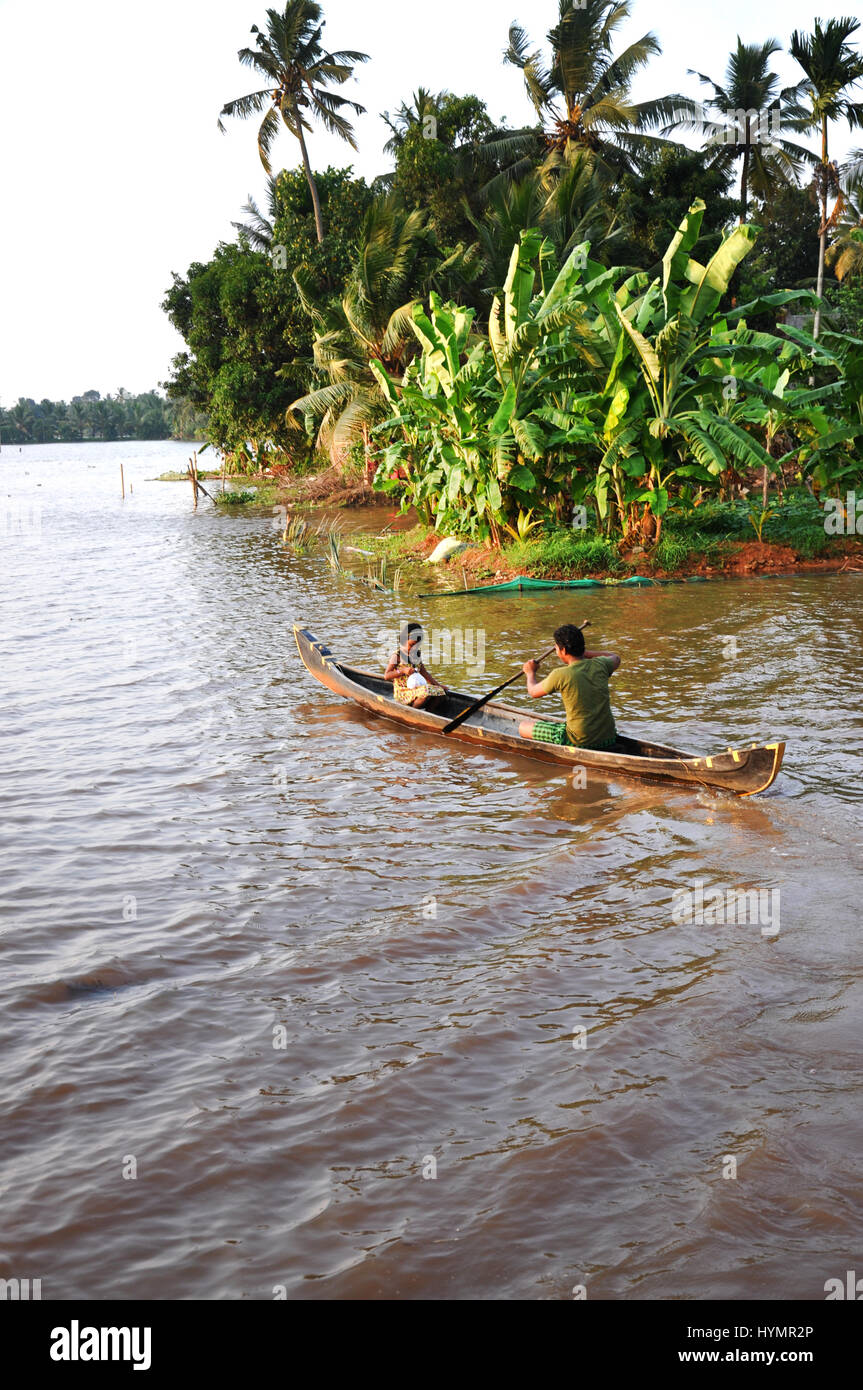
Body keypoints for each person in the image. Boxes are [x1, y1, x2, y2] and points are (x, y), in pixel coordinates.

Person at [519, 622, 620, 749]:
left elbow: (533, 691)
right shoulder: (601, 664)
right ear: (582, 647)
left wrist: (530, 672)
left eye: (556, 648)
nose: (556, 650)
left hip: (579, 740)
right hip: (608, 737)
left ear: (564, 650)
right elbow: (615, 657)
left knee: (523, 727)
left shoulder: (560, 674)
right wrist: (584, 653)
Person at [384, 621, 447, 708]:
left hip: (416, 689)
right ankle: (412, 711)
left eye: (417, 646)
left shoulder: (416, 655)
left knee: (441, 692)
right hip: (403, 693)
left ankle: (429, 714)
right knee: (425, 692)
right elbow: (386, 676)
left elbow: (424, 673)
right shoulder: (397, 656)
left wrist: (438, 685)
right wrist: (403, 671)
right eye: (412, 645)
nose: (414, 648)